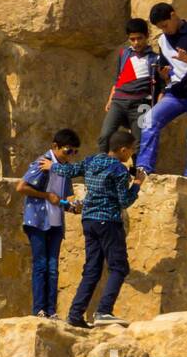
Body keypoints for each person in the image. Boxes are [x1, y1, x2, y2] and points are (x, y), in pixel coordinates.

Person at [40, 130, 146, 328]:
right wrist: (137, 184)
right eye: (131, 150)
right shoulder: (119, 171)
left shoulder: (92, 160)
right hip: (108, 221)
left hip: (88, 220)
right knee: (119, 267)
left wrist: (52, 166)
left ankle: (75, 315)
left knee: (92, 269)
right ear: (123, 150)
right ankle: (104, 311)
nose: (131, 154)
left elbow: (71, 170)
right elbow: (125, 201)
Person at [135, 3, 187, 181]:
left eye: (165, 25)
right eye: (160, 28)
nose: (164, 30)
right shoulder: (163, 40)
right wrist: (165, 75)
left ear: (173, 15)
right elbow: (170, 71)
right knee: (148, 121)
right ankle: (143, 170)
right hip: (176, 93)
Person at [18, 129, 81, 319]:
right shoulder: (41, 163)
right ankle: (39, 309)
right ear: (55, 146)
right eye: (68, 151)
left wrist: (72, 206)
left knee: (53, 268)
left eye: (74, 152)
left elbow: (63, 197)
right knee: (41, 265)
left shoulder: (62, 167)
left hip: (55, 223)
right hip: (37, 221)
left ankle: (51, 311)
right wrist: (46, 195)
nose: (71, 156)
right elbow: (21, 187)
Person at [98, 18, 162, 154]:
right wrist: (110, 99)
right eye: (132, 39)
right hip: (118, 102)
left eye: (140, 38)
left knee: (139, 141)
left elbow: (159, 86)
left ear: (147, 36)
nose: (136, 42)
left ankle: (137, 173)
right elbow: (118, 79)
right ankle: (100, 170)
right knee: (105, 136)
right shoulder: (124, 54)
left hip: (141, 104)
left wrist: (156, 107)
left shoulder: (154, 59)